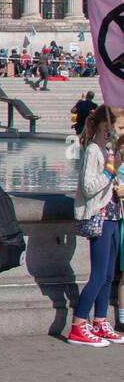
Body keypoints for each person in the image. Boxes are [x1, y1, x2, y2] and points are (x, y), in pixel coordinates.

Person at [65, 105, 124, 347]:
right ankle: (79, 324)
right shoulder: (93, 151)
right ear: (105, 127)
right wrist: (111, 172)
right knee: (99, 275)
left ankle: (100, 321)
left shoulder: (107, 150)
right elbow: (89, 187)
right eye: (120, 127)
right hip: (99, 217)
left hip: (113, 216)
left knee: (109, 275)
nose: (122, 132)